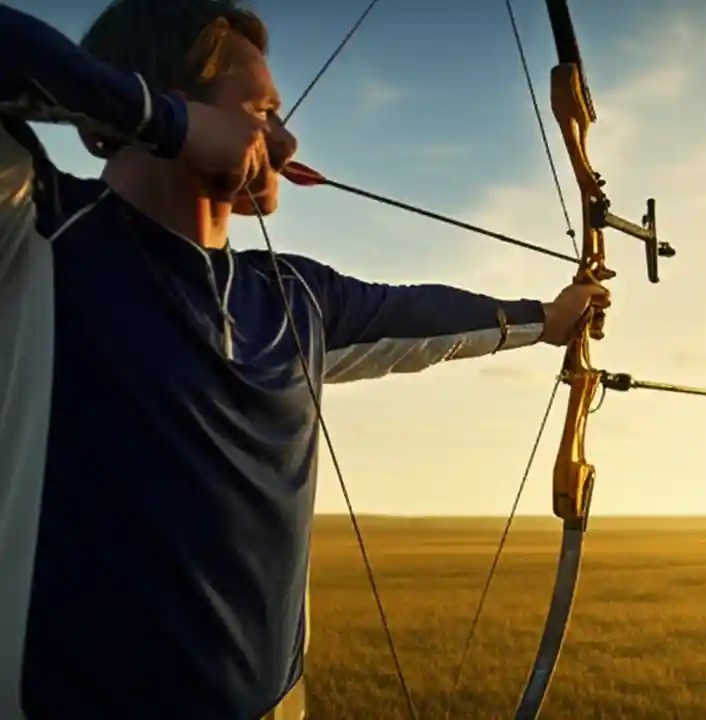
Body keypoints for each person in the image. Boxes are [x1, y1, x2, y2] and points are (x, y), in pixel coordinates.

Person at [0, 2, 607, 718]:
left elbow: (416, 312)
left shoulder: (291, 297)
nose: (284, 141)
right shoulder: (36, 232)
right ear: (167, 99)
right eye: (260, 111)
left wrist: (548, 320)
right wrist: (168, 125)